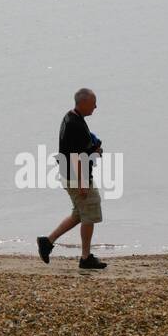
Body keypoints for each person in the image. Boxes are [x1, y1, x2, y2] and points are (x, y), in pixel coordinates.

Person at [37, 88, 107, 270]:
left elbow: (77, 150)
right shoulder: (75, 124)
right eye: (93, 103)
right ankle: (85, 258)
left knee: (79, 213)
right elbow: (77, 156)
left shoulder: (70, 118)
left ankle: (47, 242)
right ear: (82, 103)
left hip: (69, 174)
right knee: (89, 214)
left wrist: (94, 149)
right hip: (77, 177)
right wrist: (83, 183)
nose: (96, 107)